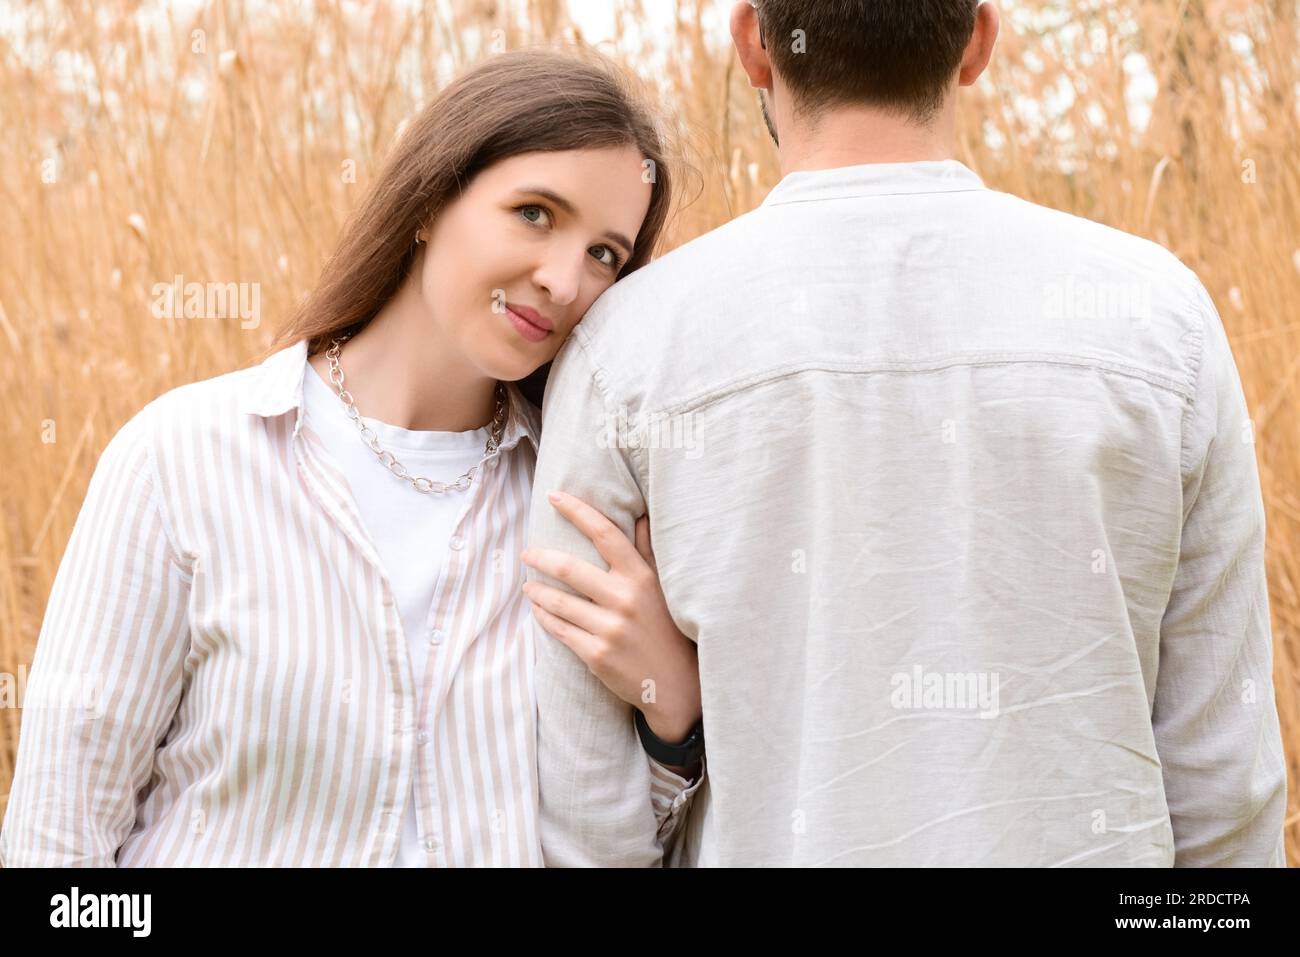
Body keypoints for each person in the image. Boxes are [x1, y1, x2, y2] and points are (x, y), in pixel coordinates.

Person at [525, 0, 1289, 866]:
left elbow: (587, 815)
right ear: (977, 41)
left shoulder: (626, 348)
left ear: (752, 43)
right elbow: (1226, 782)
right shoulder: (1161, 321)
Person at [0, 48, 703, 867]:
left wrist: (673, 714)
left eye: (604, 255)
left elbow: (616, 849)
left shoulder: (579, 508)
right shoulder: (182, 460)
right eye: (537, 213)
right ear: (433, 199)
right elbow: (57, 840)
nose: (561, 279)